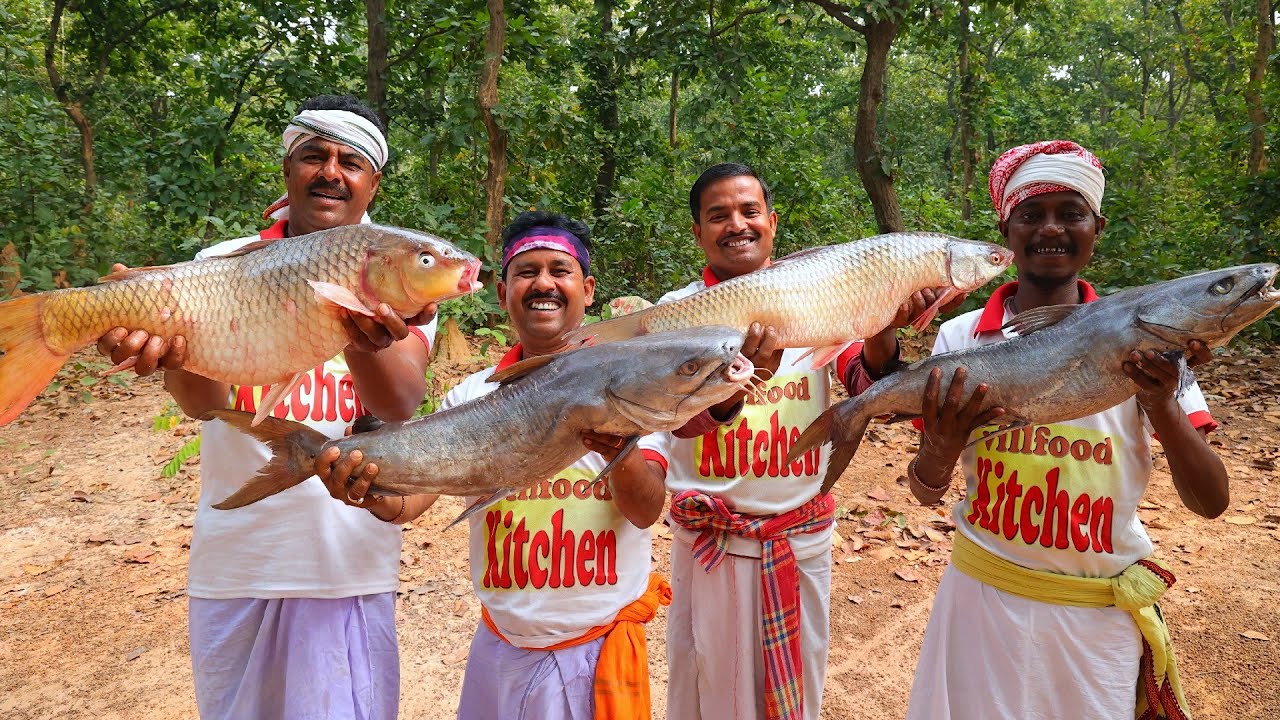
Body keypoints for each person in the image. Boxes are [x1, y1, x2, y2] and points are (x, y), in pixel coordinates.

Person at [95, 94, 438, 719]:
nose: (330, 172)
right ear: (288, 169)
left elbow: (398, 401)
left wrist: (354, 318)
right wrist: (168, 355)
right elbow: (202, 404)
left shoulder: (396, 276)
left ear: (373, 185)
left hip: (346, 569)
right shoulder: (218, 266)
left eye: (350, 162)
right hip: (236, 563)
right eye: (314, 156)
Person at [904, 140, 1229, 719]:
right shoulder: (961, 338)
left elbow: (1211, 501)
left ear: (1096, 228)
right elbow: (926, 490)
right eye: (1031, 214)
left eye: (1071, 213)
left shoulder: (1153, 340)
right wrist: (943, 447)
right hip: (981, 602)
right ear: (1006, 231)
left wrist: (1160, 403)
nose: (1050, 228)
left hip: (1094, 618)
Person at [323, 210, 672, 720]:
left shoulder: (632, 387)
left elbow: (645, 510)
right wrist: (368, 490)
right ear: (504, 292)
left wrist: (619, 448)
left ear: (588, 289)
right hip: (500, 646)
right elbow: (410, 502)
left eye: (560, 270)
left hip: (595, 650)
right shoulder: (473, 395)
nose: (543, 283)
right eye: (527, 272)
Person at [661, 162, 958, 720]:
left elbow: (866, 387)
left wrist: (882, 322)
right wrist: (734, 388)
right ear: (698, 232)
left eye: (750, 211)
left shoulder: (824, 291)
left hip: (799, 540)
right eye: (718, 215)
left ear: (772, 223)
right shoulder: (677, 313)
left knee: (798, 685)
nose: (737, 225)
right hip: (710, 543)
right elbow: (670, 417)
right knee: (705, 687)